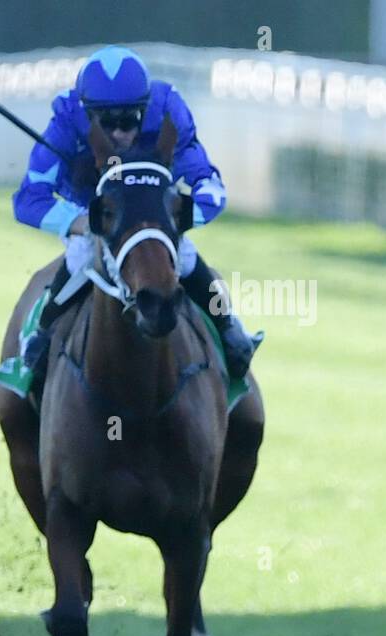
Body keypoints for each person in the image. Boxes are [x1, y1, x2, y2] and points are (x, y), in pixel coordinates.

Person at [14, 45, 259, 387]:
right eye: (106, 122)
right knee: (82, 254)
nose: (118, 133)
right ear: (87, 114)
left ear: (145, 111)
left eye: (129, 120)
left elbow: (208, 184)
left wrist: (178, 218)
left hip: (154, 213)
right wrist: (84, 222)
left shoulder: (168, 112)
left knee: (183, 257)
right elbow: (28, 199)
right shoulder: (67, 120)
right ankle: (39, 335)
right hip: (96, 211)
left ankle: (229, 327)